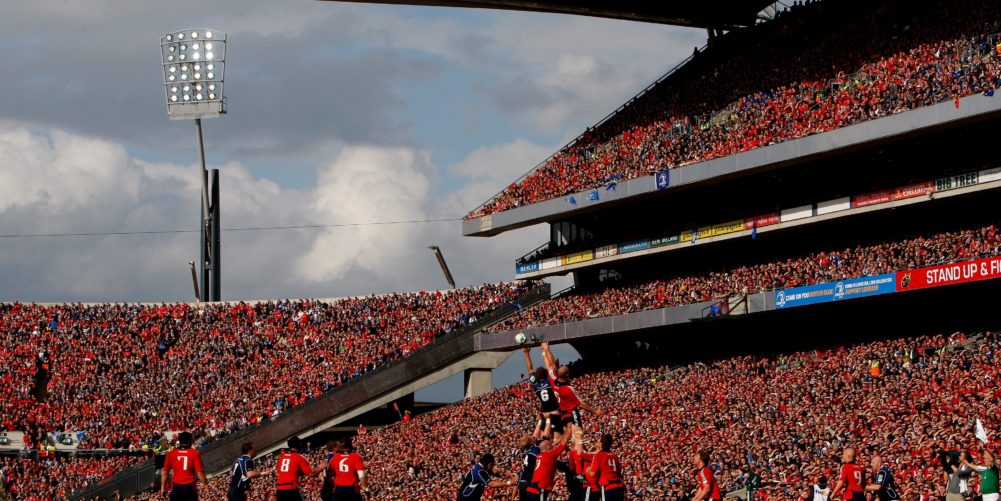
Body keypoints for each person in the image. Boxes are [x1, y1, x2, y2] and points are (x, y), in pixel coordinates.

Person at [541, 342, 603, 429]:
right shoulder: (568, 389)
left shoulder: (553, 379)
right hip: (571, 413)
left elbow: (550, 365)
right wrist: (595, 411)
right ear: (567, 375)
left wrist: (545, 351)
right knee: (578, 433)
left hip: (563, 414)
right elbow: (581, 404)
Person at [525, 424, 574, 501]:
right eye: (551, 445)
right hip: (539, 489)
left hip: (532, 488)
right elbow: (563, 444)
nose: (553, 446)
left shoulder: (540, 456)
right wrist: (569, 430)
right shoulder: (549, 455)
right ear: (548, 447)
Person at [523, 347, 563, 439]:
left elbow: (530, 369)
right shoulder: (550, 381)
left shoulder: (535, 384)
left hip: (544, 414)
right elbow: (553, 366)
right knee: (557, 439)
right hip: (554, 413)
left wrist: (526, 353)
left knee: (545, 439)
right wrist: (546, 350)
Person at [159, 432, 209, 500]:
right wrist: (205, 485)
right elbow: (200, 472)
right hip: (190, 486)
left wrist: (162, 487)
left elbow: (164, 472)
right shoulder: (194, 453)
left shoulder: (171, 453)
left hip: (176, 486)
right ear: (189, 441)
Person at [275, 436, 323, 501]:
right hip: (291, 489)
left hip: (279, 490)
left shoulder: (281, 457)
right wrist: (321, 467)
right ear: (299, 445)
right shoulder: (299, 457)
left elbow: (281, 471)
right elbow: (311, 474)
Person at [518, 419, 550, 501]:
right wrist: (548, 419)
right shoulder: (534, 449)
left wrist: (540, 421)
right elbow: (546, 435)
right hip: (529, 481)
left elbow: (535, 435)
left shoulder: (525, 450)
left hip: (522, 480)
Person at [587, 433, 624, 501]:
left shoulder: (599, 455)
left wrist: (587, 469)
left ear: (601, 443)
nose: (596, 442)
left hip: (608, 486)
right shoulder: (614, 456)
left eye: (598, 441)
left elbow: (592, 474)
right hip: (619, 486)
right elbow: (619, 472)